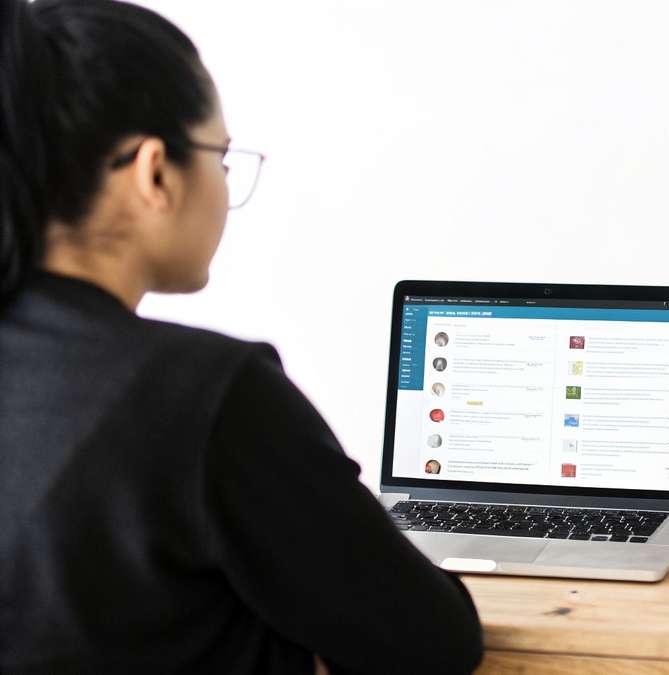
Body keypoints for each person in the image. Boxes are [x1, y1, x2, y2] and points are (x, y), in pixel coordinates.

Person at [0, 1, 482, 673]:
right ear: (155, 173)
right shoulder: (207, 397)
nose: (225, 183)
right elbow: (434, 642)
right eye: (219, 156)